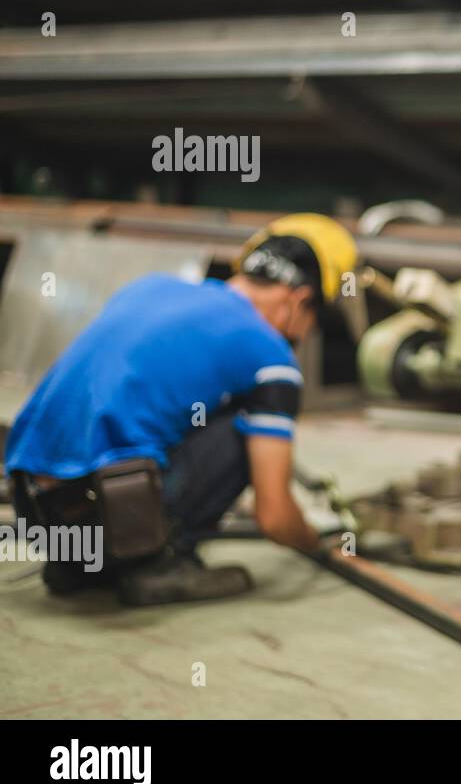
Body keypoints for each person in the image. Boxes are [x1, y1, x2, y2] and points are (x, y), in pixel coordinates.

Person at [5, 213, 357, 606]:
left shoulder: (150, 288)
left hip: (34, 511)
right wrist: (314, 544)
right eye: (313, 321)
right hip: (107, 519)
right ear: (301, 298)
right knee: (246, 423)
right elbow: (273, 518)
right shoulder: (270, 354)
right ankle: (152, 566)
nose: (302, 335)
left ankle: (77, 565)